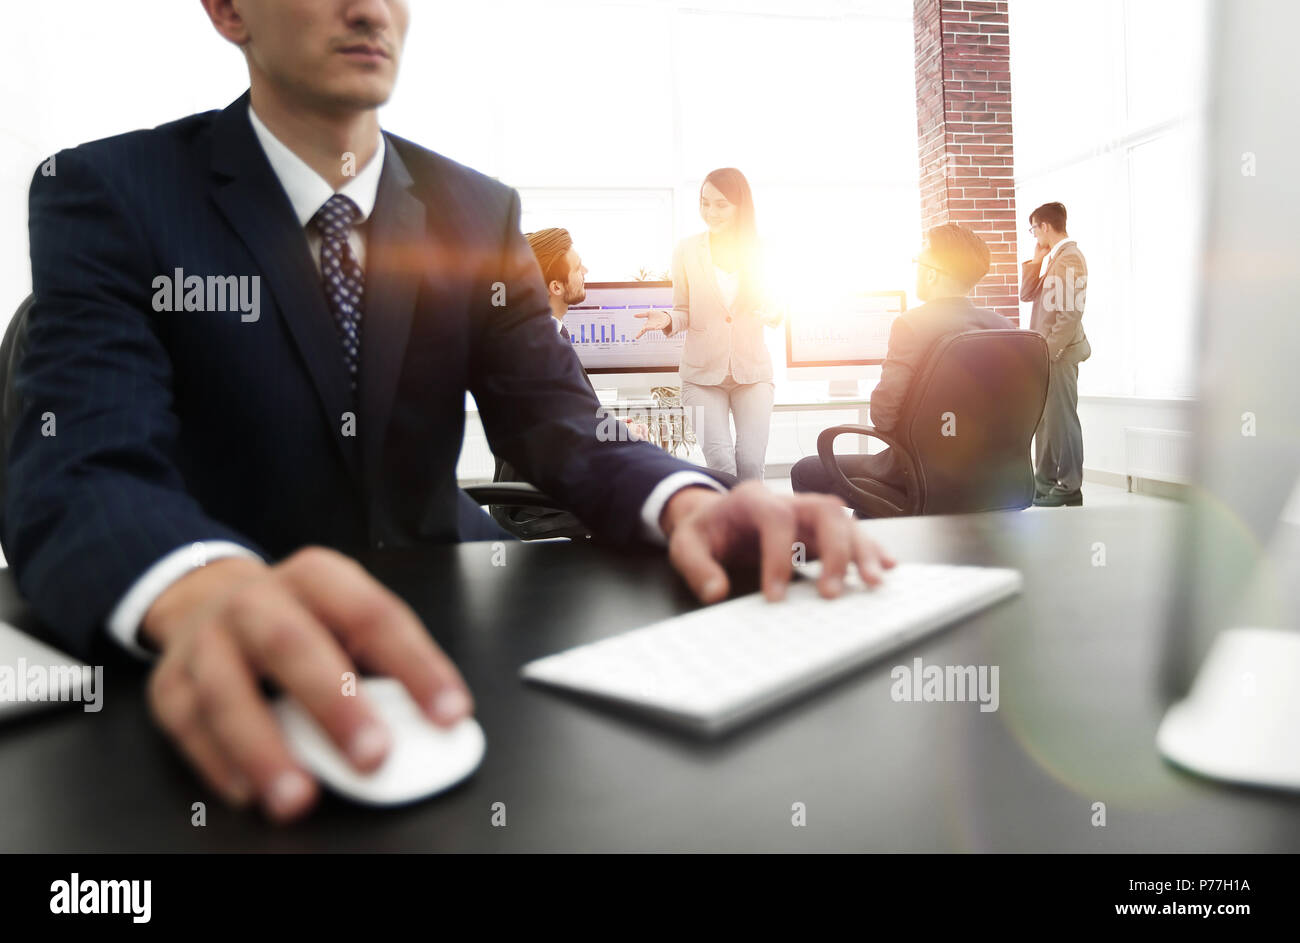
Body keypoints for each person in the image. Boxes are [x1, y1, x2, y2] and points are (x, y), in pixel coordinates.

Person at [3, 0, 893, 823]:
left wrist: (691, 500)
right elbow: (79, 461)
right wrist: (195, 587)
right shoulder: (113, 192)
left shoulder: (474, 210)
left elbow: (560, 422)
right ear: (229, 9)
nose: (370, 8)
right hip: (216, 663)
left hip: (465, 643)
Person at [790, 223, 1012, 503]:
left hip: (918, 474)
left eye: (918, 262)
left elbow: (882, 416)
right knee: (870, 502)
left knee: (805, 470)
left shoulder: (912, 324)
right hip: (991, 477)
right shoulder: (1004, 327)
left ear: (931, 274)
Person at [634, 168, 783, 481]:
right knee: (721, 465)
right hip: (702, 377)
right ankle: (729, 529)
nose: (710, 212)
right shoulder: (687, 250)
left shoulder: (762, 250)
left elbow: (777, 306)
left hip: (752, 373)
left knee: (750, 463)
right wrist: (667, 319)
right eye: (705, 203)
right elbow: (684, 310)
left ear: (740, 206)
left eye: (721, 204)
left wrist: (773, 313)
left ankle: (753, 528)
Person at [1020, 201, 1090, 507]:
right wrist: (1037, 260)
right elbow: (1026, 294)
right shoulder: (1054, 258)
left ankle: (1070, 486)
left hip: (1059, 354)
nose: (1034, 234)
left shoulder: (1070, 259)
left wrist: (1049, 353)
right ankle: (1044, 482)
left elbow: (1069, 314)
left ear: (1044, 226)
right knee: (1046, 422)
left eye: (1034, 228)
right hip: (1048, 354)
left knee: (1063, 421)